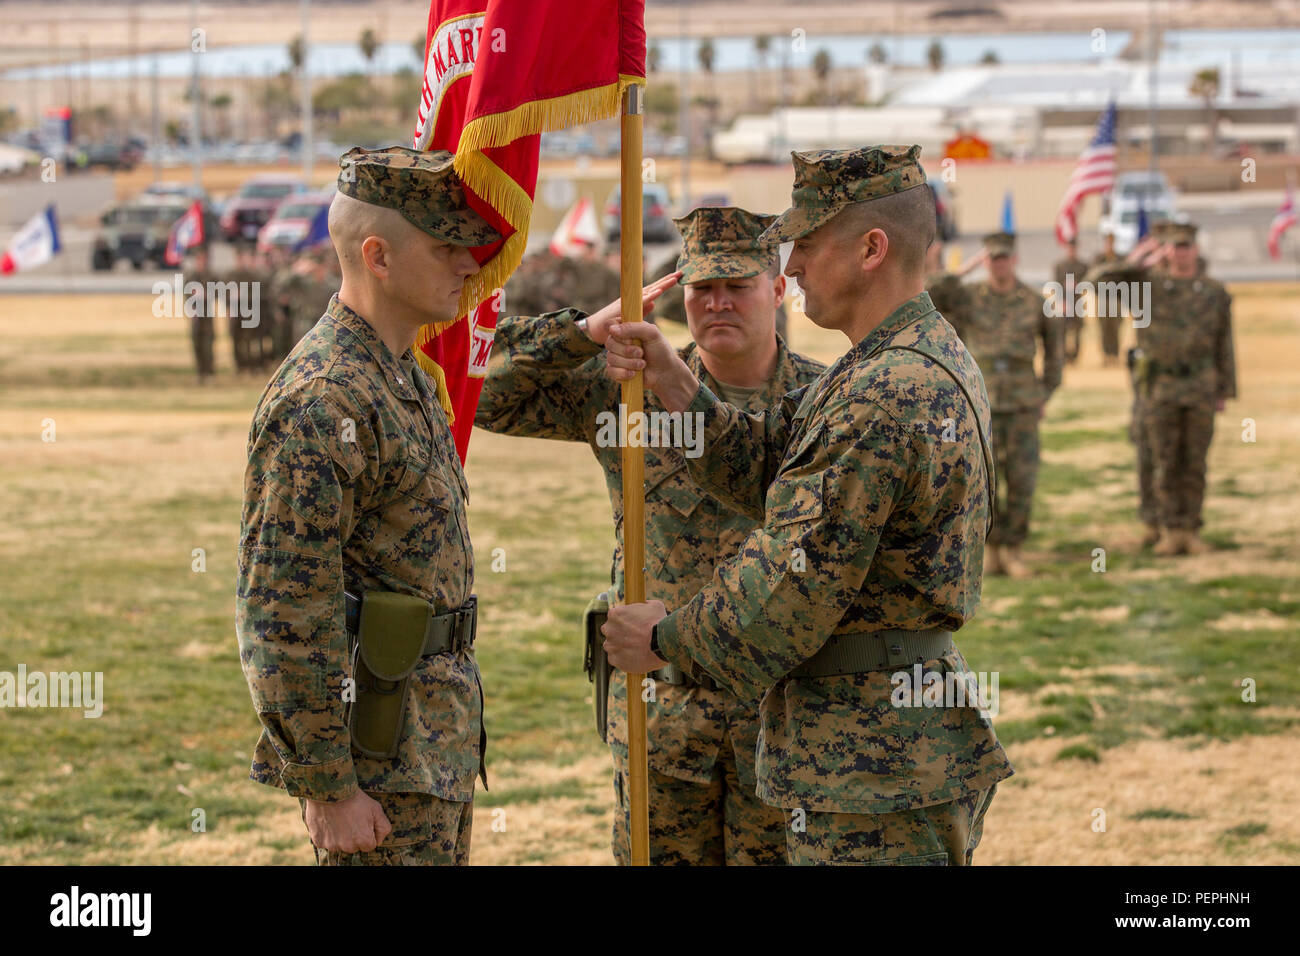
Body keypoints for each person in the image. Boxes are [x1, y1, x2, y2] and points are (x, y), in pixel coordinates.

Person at [599, 145, 1013, 865]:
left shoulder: (884, 391)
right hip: (884, 744)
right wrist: (676, 381)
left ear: (871, 249)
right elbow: (771, 463)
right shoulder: (905, 359)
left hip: (873, 765)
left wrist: (665, 641)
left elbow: (787, 592)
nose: (788, 270)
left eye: (807, 245)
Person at [477, 207, 824, 865]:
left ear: (778, 292)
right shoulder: (627, 391)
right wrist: (582, 334)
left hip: (785, 721)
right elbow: (479, 395)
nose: (717, 303)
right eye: (700, 288)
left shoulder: (822, 401)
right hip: (662, 721)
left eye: (737, 286)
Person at [235, 146, 498, 865]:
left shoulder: (400, 374)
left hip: (428, 748)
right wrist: (327, 787)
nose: (469, 265)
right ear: (378, 256)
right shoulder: (327, 398)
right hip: (375, 769)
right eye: (447, 247)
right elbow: (283, 607)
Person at [1099, 223, 1236, 555]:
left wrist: (1224, 391)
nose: (1181, 252)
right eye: (1175, 246)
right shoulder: (1148, 286)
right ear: (1166, 250)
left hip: (1200, 385)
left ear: (1196, 249)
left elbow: (1225, 343)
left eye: (1187, 245)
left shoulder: (1214, 291)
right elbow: (1099, 281)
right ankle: (1169, 529)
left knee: (1195, 462)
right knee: (1164, 460)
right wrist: (1140, 260)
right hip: (1161, 386)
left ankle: (1190, 528)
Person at [963, 232, 1064, 578]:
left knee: (1021, 478)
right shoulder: (968, 298)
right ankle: (991, 550)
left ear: (1014, 259)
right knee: (985, 481)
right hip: (983, 402)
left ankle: (1014, 548)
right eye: (992, 258)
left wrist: (1043, 393)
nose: (999, 263)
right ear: (985, 260)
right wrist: (964, 269)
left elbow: (1055, 352)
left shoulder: (1035, 300)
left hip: (1022, 402)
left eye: (1004, 257)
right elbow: (932, 289)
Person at [1053, 237, 1089, 365]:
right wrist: (1059, 302)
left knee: (1078, 329)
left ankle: (1074, 356)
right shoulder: (1059, 266)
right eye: (1069, 248)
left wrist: (1077, 285)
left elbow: (1088, 283)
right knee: (1061, 330)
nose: (1071, 250)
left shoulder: (1083, 266)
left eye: (1073, 248)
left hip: (1078, 301)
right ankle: (1063, 356)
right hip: (1063, 302)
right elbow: (1055, 285)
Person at [185, 244, 216, 384]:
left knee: (208, 343)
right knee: (196, 342)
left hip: (207, 314)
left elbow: (218, 291)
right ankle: (200, 371)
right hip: (195, 314)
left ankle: (209, 371)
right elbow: (186, 294)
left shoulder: (211, 276)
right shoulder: (191, 276)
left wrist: (206, 294)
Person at [1092, 230, 1123, 366]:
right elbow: (1093, 278)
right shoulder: (1099, 260)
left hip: (1115, 298)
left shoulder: (1119, 259)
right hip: (1103, 297)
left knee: (1115, 327)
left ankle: (1114, 354)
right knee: (1103, 327)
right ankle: (1106, 355)